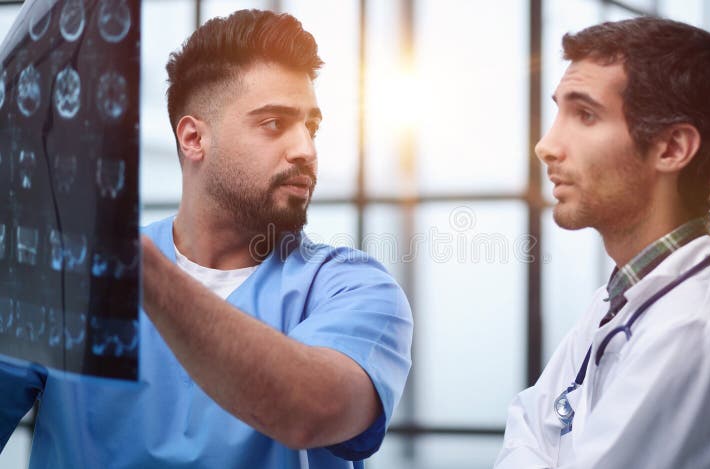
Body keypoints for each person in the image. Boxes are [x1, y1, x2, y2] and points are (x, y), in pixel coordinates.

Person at [0, 9, 412, 469]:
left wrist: (128, 262)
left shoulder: (353, 288)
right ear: (193, 138)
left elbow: (314, 412)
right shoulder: (65, 273)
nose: (306, 150)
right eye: (274, 124)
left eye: (310, 127)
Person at [495, 16, 710, 468]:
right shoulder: (617, 301)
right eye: (559, 112)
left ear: (671, 148)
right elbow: (525, 425)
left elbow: (536, 441)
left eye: (585, 115)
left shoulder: (698, 327)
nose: (546, 145)